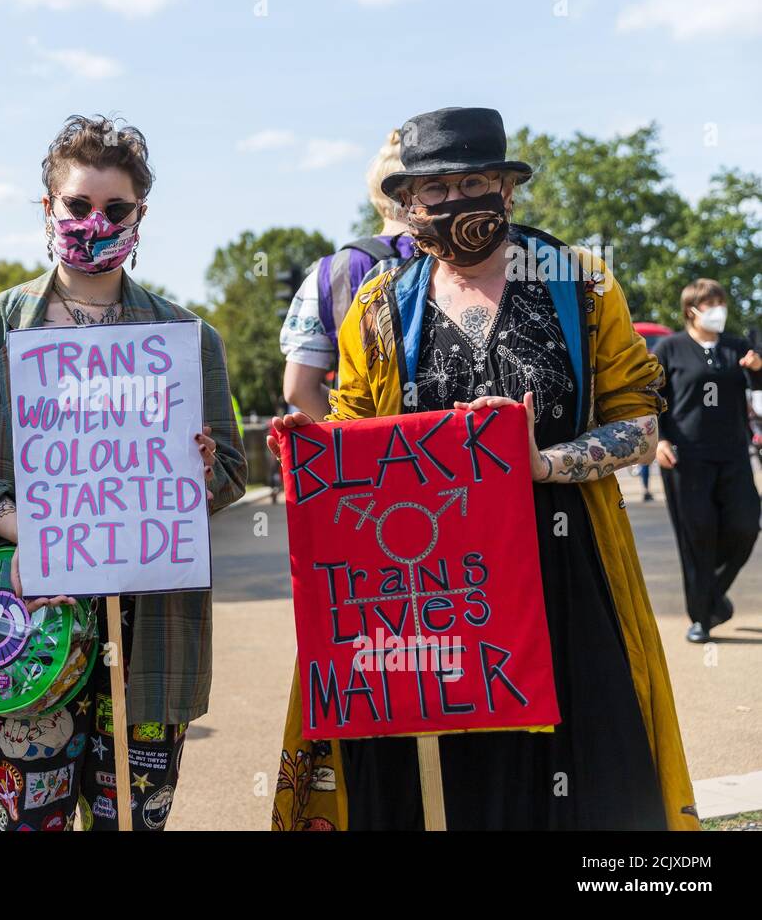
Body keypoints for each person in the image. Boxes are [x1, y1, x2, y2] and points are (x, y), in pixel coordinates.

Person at [268, 107, 698, 831]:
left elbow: (639, 422)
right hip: (429, 589)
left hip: (562, 576)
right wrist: (316, 443)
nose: (453, 203)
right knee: (436, 781)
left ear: (507, 189)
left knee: (580, 780)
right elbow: (352, 430)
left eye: (474, 182)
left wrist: (547, 462)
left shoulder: (580, 285)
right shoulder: (377, 306)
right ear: (407, 206)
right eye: (433, 193)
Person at [0, 114, 248, 831]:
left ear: (141, 216)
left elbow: (228, 472)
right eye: (77, 205)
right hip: (27, 615)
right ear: (48, 209)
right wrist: (33, 530)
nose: (94, 221)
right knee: (28, 823)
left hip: (150, 628)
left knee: (132, 822)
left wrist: (197, 468)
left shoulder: (189, 341)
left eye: (115, 209)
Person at [654, 278, 762, 643]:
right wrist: (659, 440)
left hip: (734, 455)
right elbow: (653, 400)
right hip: (687, 458)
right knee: (697, 535)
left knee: (746, 526)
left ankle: (713, 594)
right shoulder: (669, 349)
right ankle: (702, 616)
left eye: (721, 302)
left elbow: (758, 392)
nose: (719, 310)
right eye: (710, 303)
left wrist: (758, 369)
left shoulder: (737, 346)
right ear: (692, 310)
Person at [280, 129, 415, 419]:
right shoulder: (458, 259)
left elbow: (297, 388)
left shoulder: (331, 271)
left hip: (370, 455)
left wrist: (357, 433)